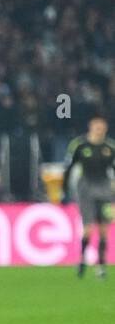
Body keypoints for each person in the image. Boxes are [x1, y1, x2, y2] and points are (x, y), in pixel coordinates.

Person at [62, 115, 115, 279]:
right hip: (86, 190)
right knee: (88, 229)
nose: (99, 129)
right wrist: (65, 191)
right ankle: (82, 258)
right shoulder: (79, 145)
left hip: (105, 190)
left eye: (102, 126)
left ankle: (101, 265)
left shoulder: (110, 147)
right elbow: (69, 168)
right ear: (90, 126)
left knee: (104, 230)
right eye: (96, 125)